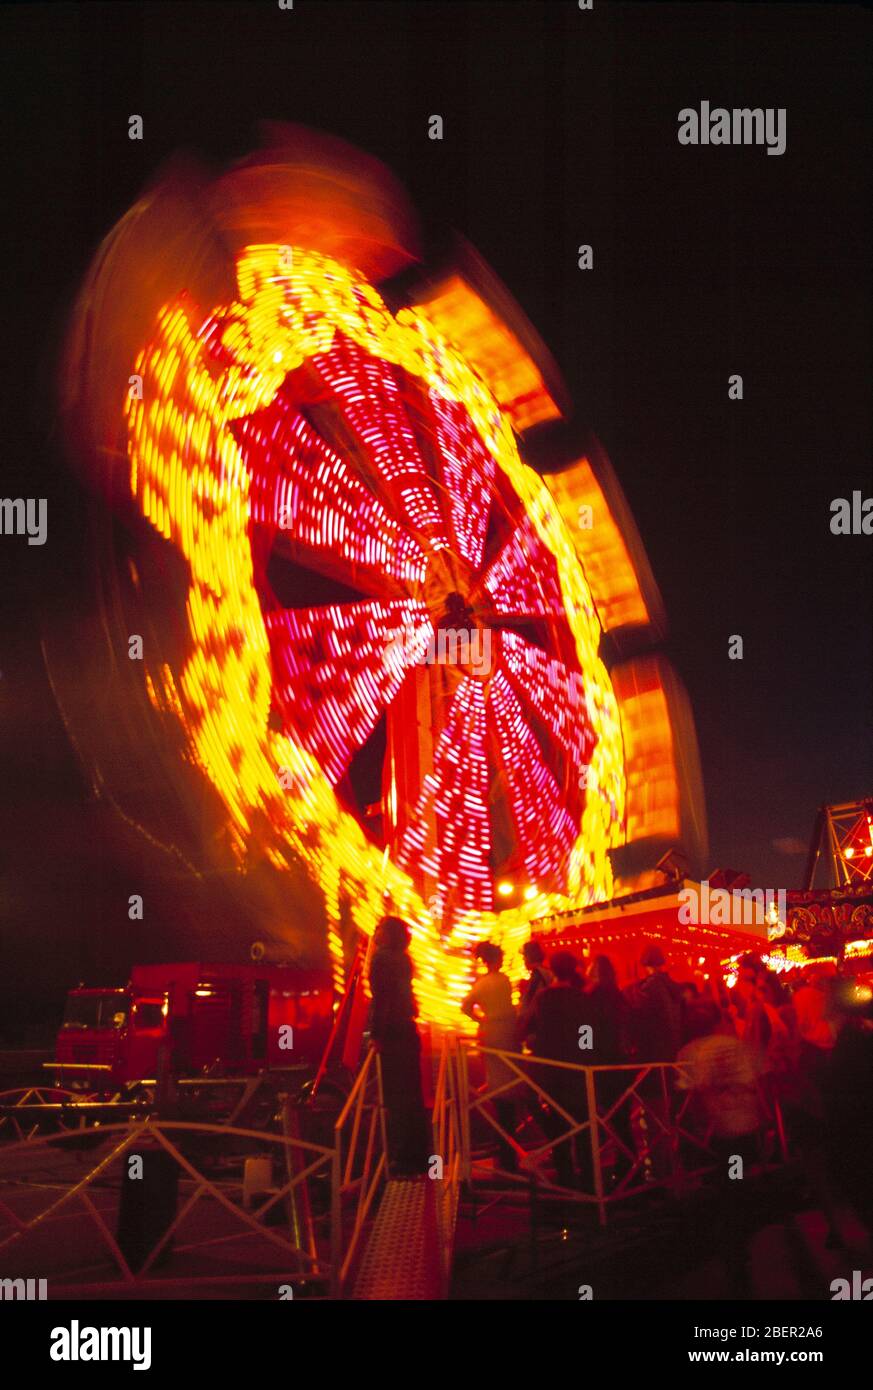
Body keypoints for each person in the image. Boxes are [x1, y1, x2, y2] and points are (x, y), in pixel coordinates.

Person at [521, 951, 596, 1189]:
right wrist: (584, 1052)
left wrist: (536, 1043)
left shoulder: (544, 998)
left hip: (551, 1069)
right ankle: (589, 1177)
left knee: (557, 1122)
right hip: (577, 1068)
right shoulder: (582, 997)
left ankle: (565, 1176)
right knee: (583, 1122)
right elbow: (587, 1031)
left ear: (552, 970)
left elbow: (527, 1026)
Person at [368, 915, 430, 1177]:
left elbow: (381, 998)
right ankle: (421, 1156)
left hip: (392, 1034)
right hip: (407, 1030)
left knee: (395, 1097)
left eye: (379, 928)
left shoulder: (381, 958)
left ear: (388, 933)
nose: (375, 932)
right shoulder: (405, 958)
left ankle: (401, 1158)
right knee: (413, 1096)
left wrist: (376, 1034)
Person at [462, 943, 519, 1173]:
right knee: (510, 1086)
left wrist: (480, 1020)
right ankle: (508, 1154)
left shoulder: (482, 984)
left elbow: (465, 1006)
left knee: (497, 1087)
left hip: (491, 1033)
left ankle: (502, 1151)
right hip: (507, 1032)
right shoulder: (503, 981)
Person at [517, 941, 554, 1036]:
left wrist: (523, 1024)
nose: (523, 961)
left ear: (529, 957)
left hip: (537, 1024)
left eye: (524, 957)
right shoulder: (547, 971)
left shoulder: (537, 975)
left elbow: (532, 1001)